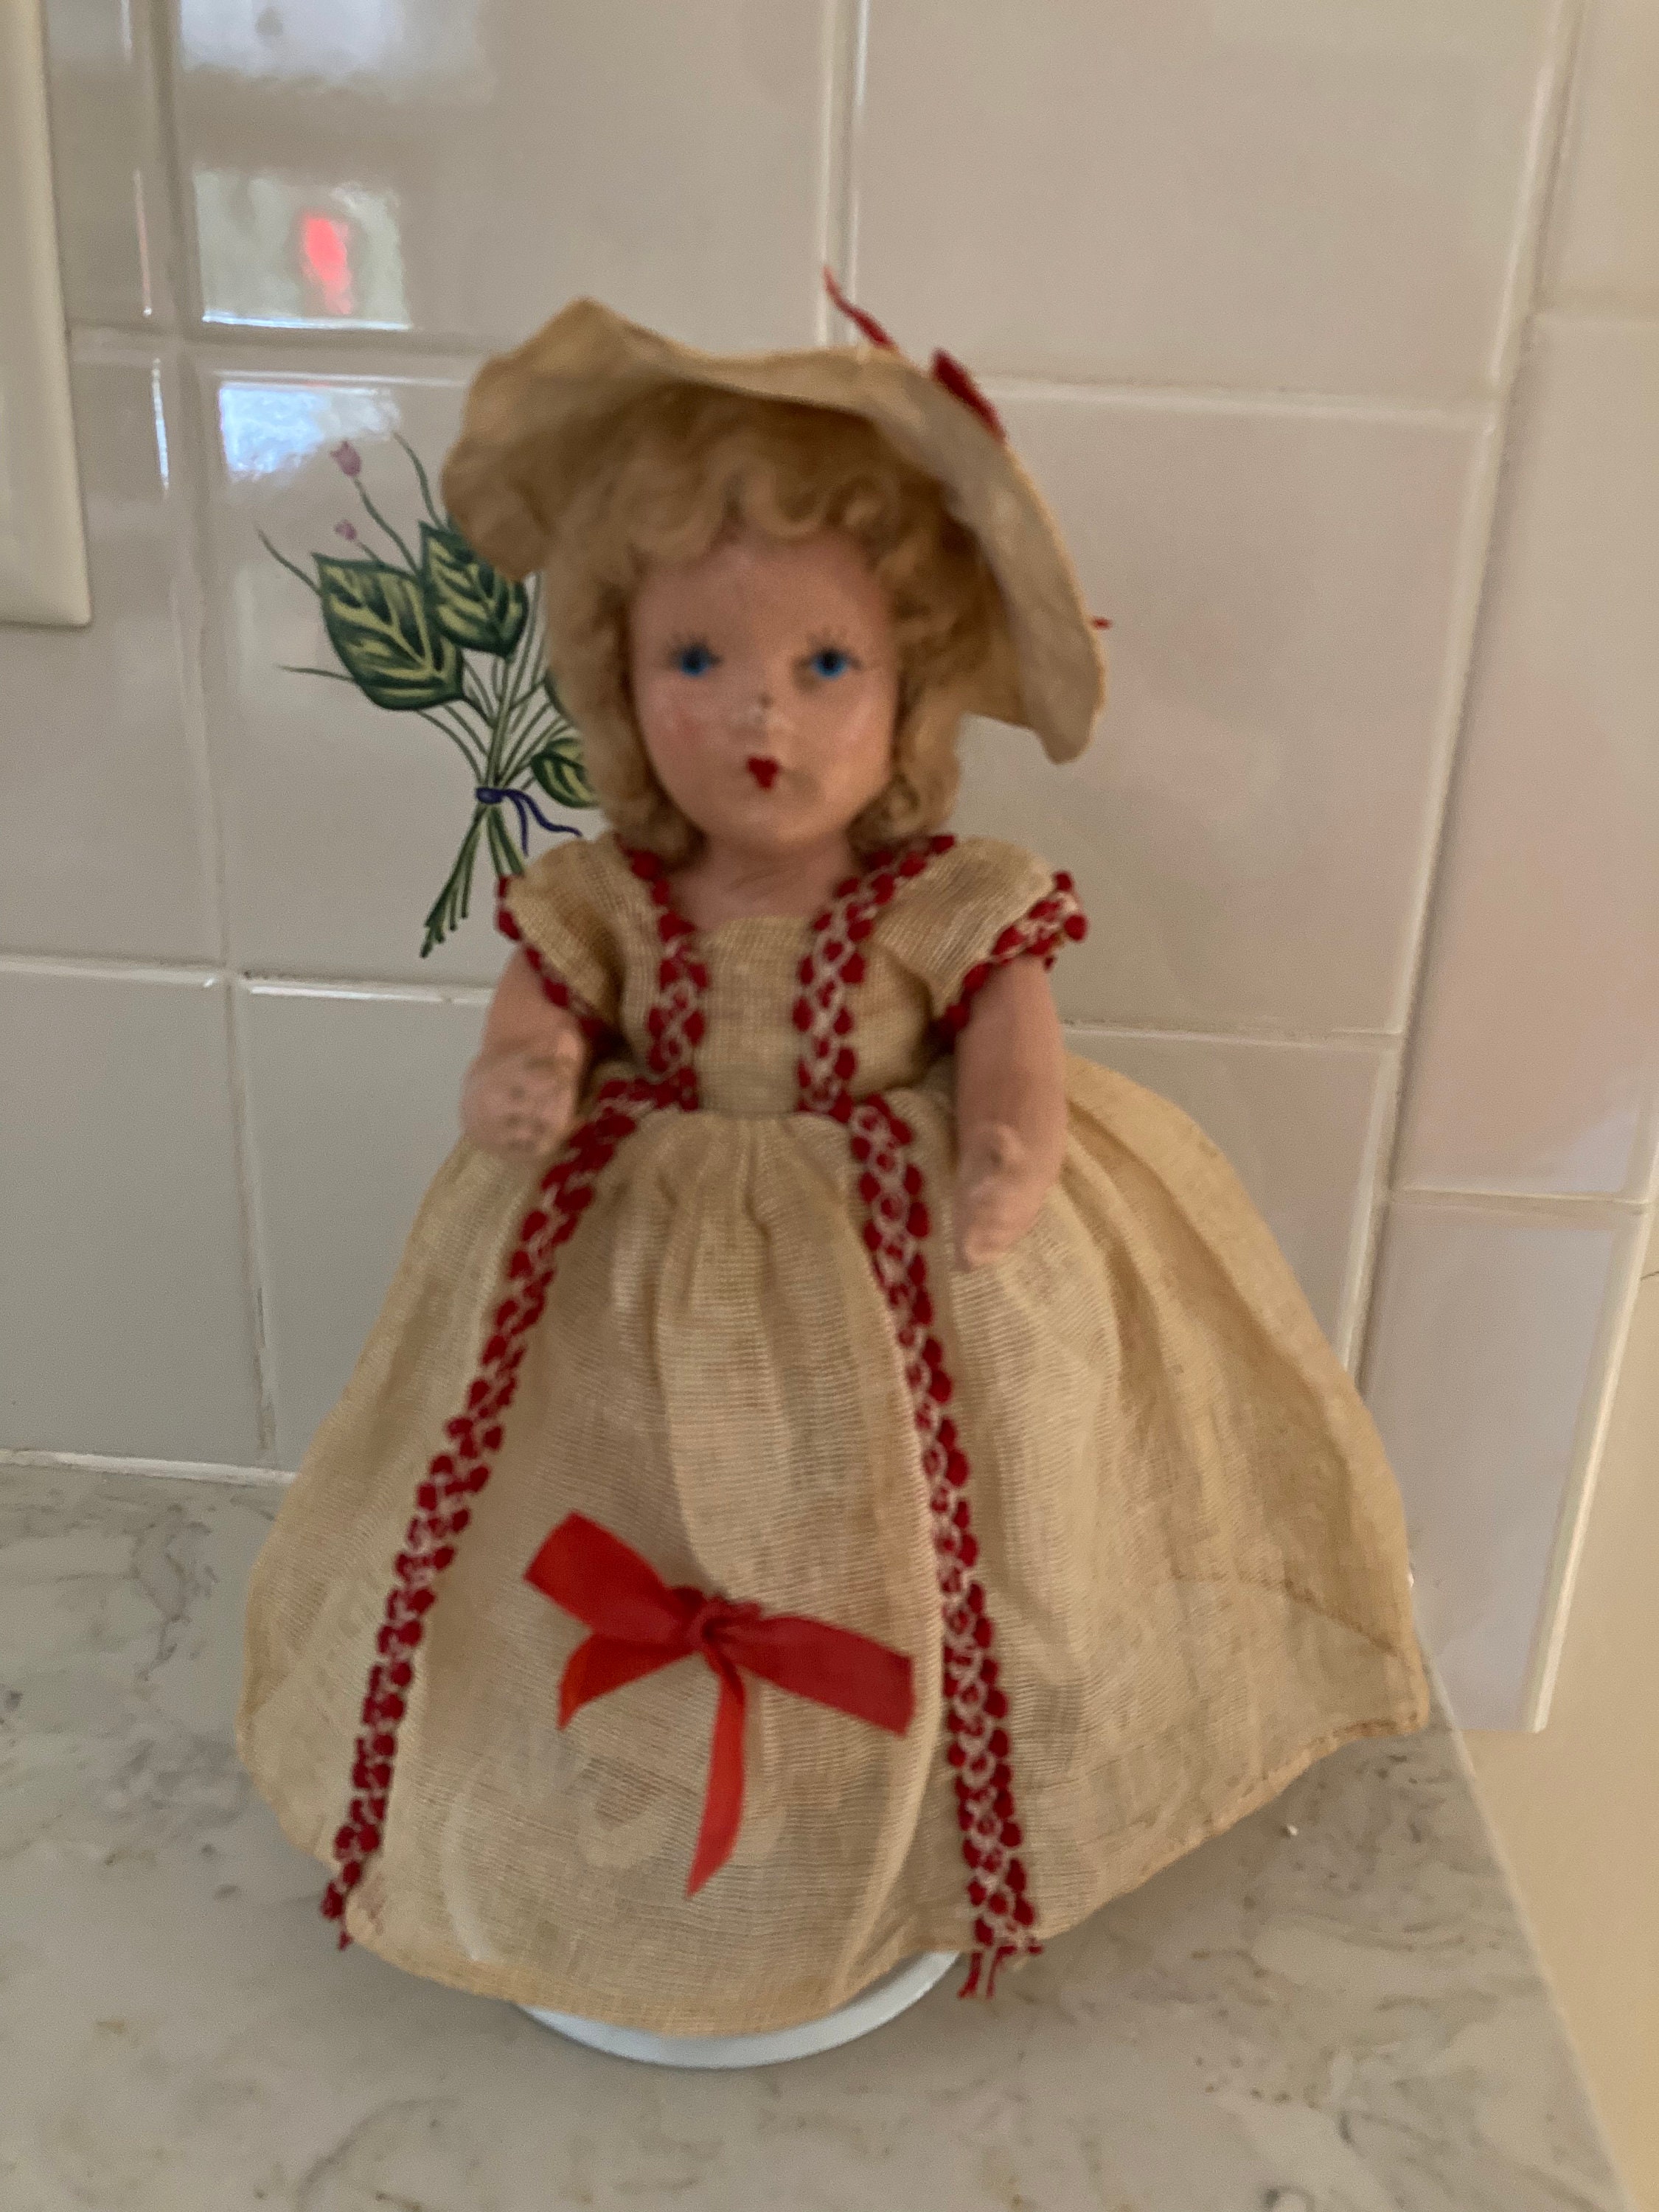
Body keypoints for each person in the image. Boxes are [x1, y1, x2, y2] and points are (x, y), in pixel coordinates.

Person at [237, 292, 1427, 2036]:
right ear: (621, 680)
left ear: (909, 687)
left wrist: (1012, 1139)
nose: (759, 713)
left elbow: (1010, 1025)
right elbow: (545, 1001)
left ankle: (893, 1810)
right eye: (697, 662)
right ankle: (646, 1767)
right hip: (634, 1264)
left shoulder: (941, 897)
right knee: (620, 1498)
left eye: (824, 666)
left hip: (891, 1267)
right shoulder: (607, 897)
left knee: (910, 1529)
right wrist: (525, 1067)